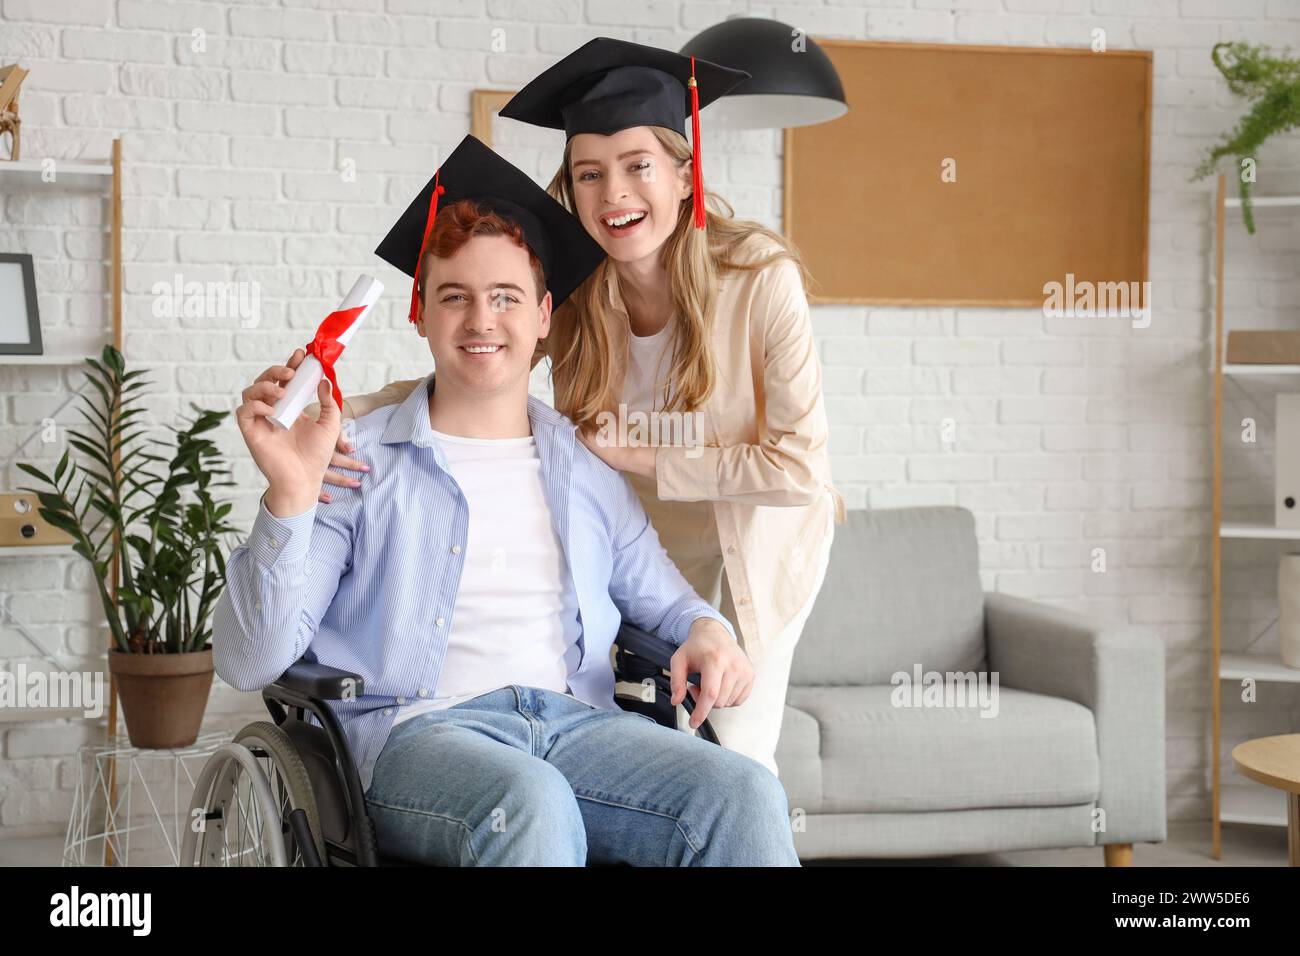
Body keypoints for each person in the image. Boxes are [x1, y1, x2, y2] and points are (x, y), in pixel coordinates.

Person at [213, 134, 799, 867]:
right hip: (422, 739)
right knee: (531, 799)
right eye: (454, 297)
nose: (481, 320)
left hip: (578, 727)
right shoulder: (352, 460)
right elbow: (247, 660)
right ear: (418, 314)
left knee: (741, 793)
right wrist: (289, 496)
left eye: (505, 298)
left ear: (545, 315)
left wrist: (708, 630)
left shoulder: (582, 466)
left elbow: (669, 601)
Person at [307, 39, 846, 779]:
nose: (614, 194)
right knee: (637, 759)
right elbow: (479, 365)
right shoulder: (580, 291)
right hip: (639, 546)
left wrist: (637, 455)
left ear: (685, 176)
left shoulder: (759, 281)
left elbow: (797, 470)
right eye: (589, 175)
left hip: (749, 549)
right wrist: (339, 409)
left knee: (734, 758)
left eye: (638, 166)